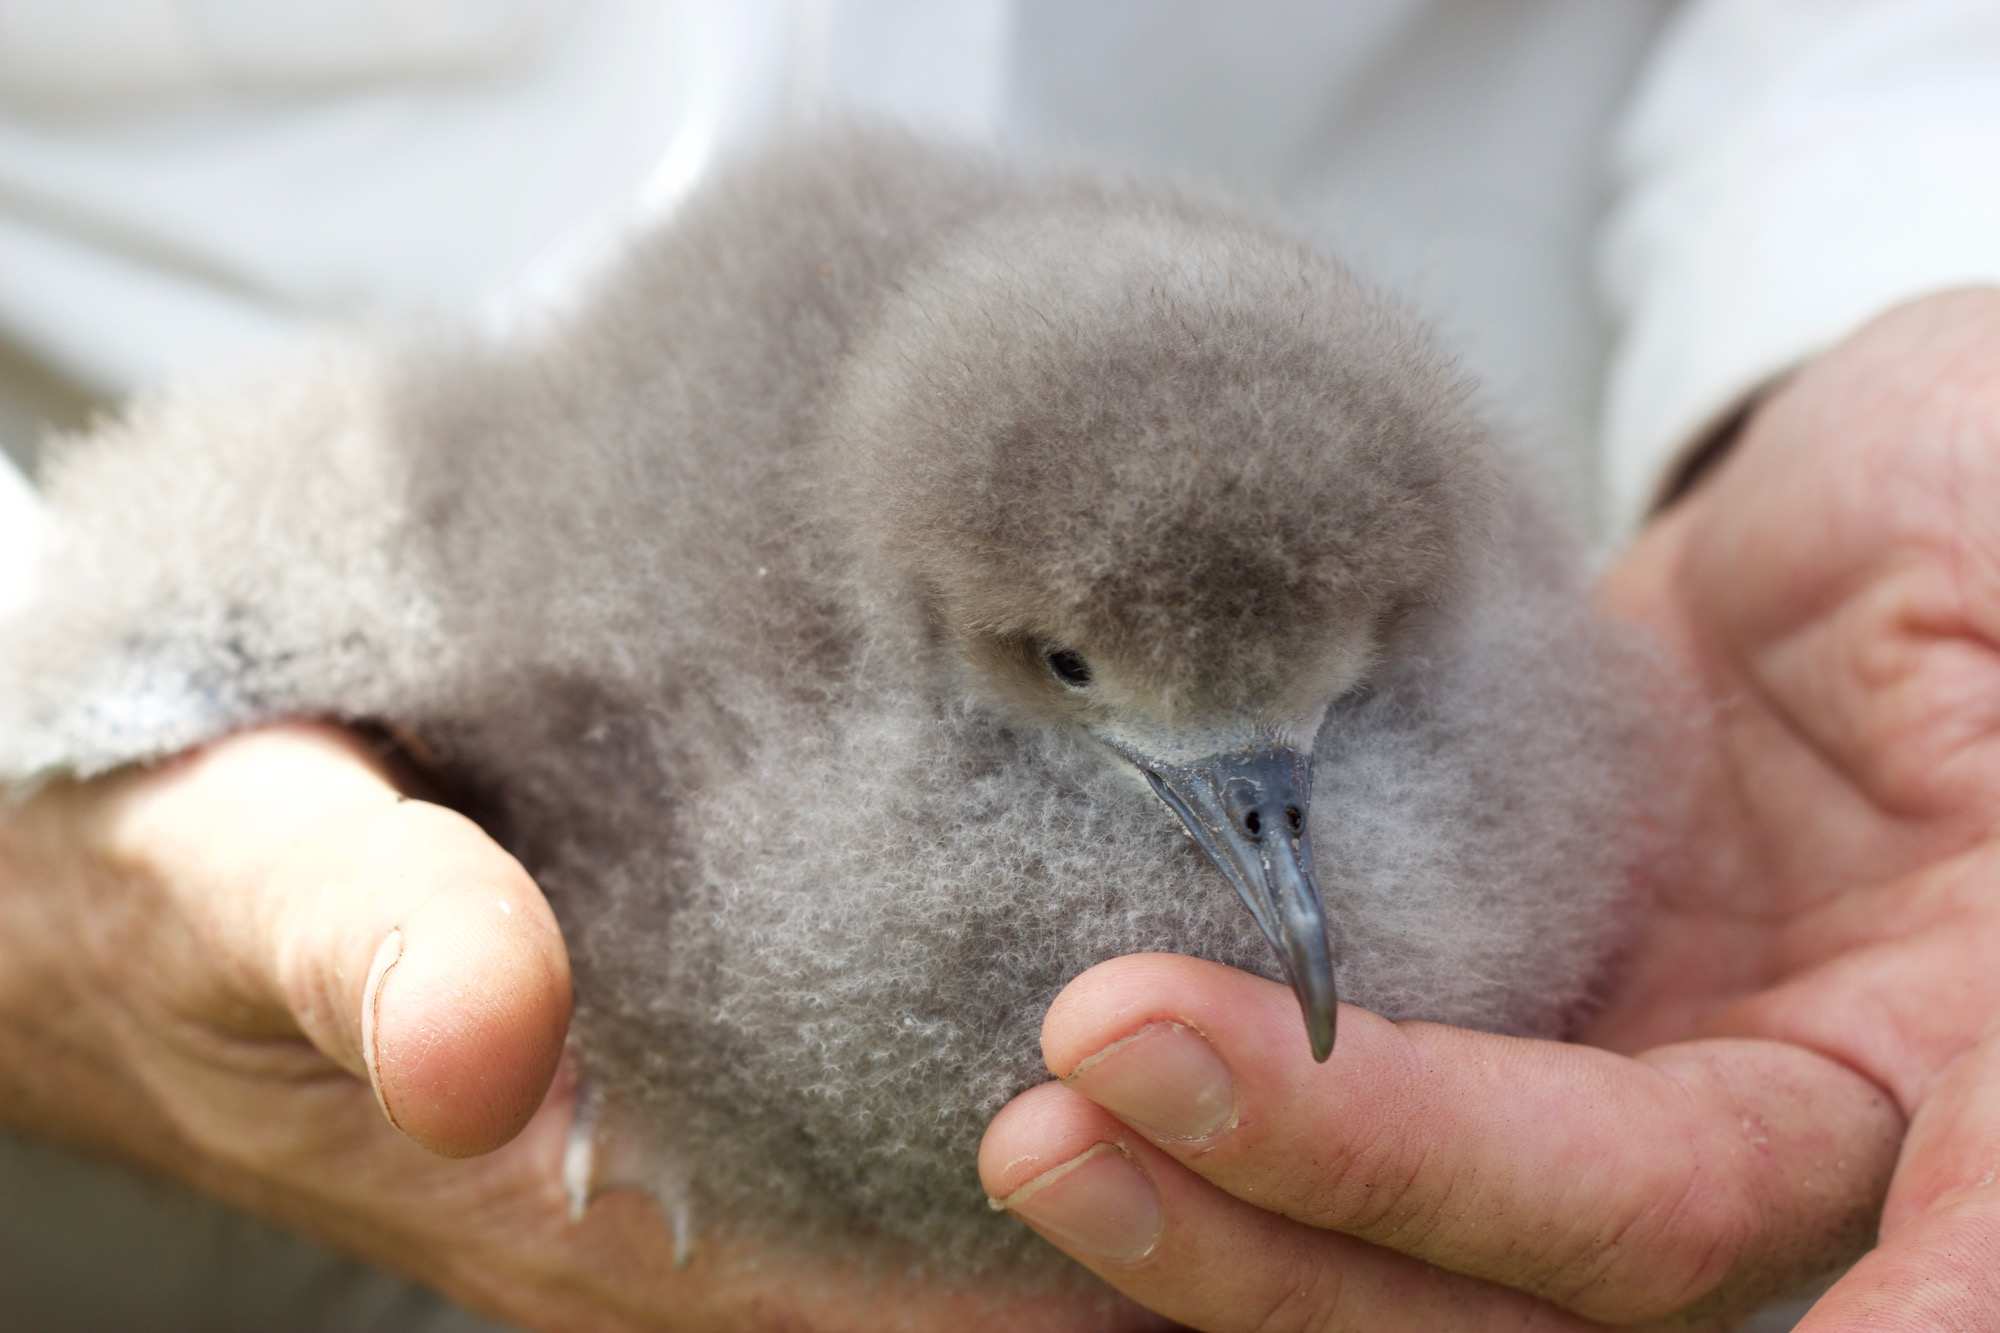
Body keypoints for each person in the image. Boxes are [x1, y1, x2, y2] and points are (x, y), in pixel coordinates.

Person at [4, 3, 2000, 1329]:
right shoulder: (696, 686)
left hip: (1599, 420)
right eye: (1087, 671)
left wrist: (1882, 281)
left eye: (1316, 697)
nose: (1277, 863)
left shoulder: (1497, 677)